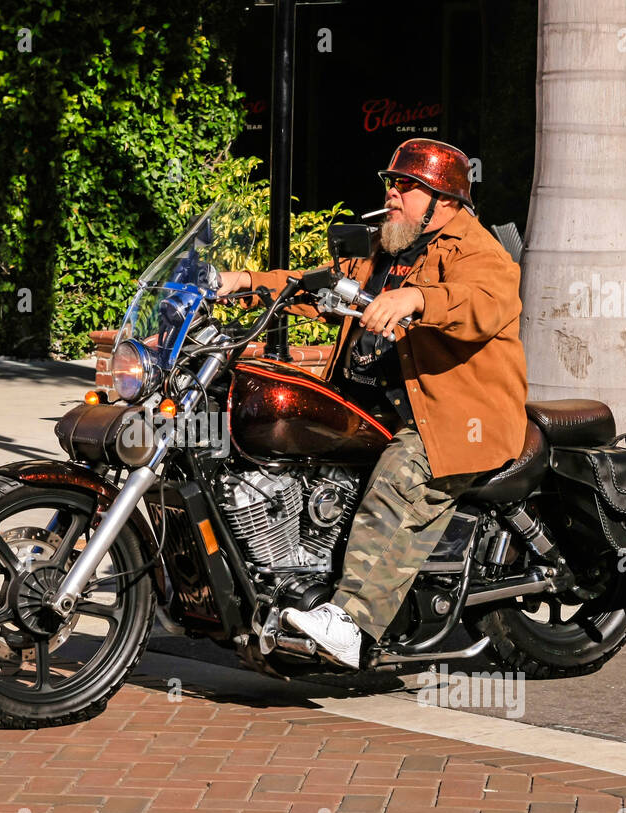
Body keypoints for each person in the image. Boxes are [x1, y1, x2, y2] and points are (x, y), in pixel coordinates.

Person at [216, 138, 527, 668]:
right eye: (391, 183)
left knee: (402, 481)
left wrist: (418, 298)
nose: (393, 193)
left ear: (445, 201)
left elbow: (488, 303)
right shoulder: (386, 249)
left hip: (452, 415)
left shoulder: (475, 250)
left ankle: (351, 624)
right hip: (371, 404)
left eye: (408, 185)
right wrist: (243, 282)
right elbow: (318, 288)